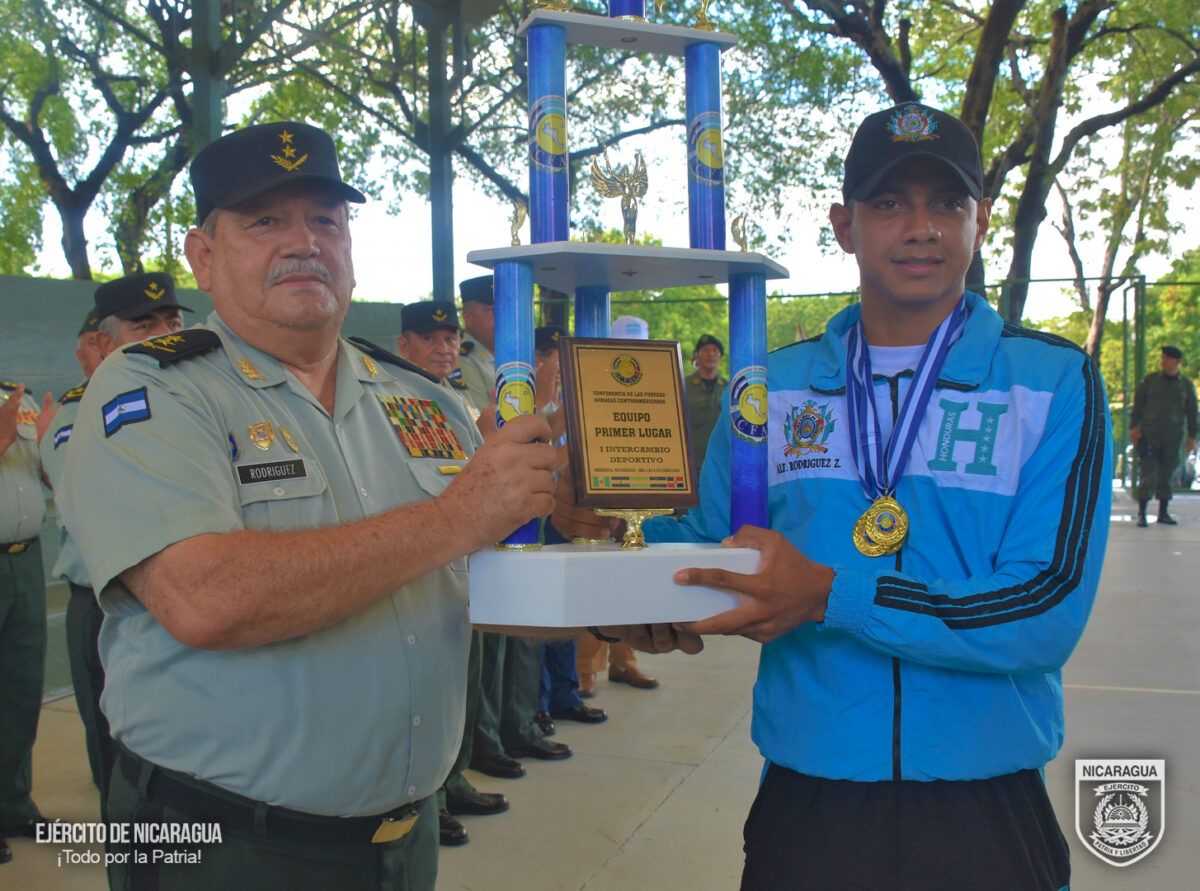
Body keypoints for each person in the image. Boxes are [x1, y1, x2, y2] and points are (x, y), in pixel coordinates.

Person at [558, 103, 1112, 889]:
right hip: (811, 808)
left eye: (946, 202)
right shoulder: (773, 388)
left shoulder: (1052, 381)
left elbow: (1043, 608)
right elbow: (702, 542)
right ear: (844, 225)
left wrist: (830, 594)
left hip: (986, 810)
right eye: (889, 203)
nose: (921, 226)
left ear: (980, 220)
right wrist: (600, 536)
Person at [56, 121, 557, 890]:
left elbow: (474, 579)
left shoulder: (423, 396)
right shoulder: (152, 387)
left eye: (326, 219)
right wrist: (459, 514)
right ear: (204, 255)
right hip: (227, 845)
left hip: (402, 838)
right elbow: (205, 596)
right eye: (264, 220)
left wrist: (616, 593)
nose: (304, 242)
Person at [40, 279, 189, 817]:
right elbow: (96, 508)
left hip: (188, 597)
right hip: (110, 601)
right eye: (143, 326)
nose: (164, 336)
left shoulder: (195, 403)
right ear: (104, 345)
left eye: (172, 324)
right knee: (120, 754)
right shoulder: (78, 415)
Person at [396, 300, 509, 847]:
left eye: (450, 337)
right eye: (430, 338)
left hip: (469, 555)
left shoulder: (462, 398)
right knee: (430, 679)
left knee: (468, 670)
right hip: (422, 559)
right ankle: (428, 797)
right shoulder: (391, 398)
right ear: (405, 347)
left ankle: (455, 774)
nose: (443, 347)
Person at [0, 361, 55, 866]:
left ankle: (13, 804)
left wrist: (48, 452)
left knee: (20, 688)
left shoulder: (19, 397)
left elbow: (45, 479)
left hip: (25, 558)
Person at [1130, 345, 1197, 526]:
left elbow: (1192, 412)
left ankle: (1163, 513)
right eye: (1162, 357)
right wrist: (1134, 427)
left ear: (1178, 362)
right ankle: (1142, 513)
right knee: (1147, 473)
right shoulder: (1150, 381)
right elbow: (1138, 405)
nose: (1163, 361)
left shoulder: (1185, 385)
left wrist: (1192, 436)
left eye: (1167, 358)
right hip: (1150, 435)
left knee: (1167, 474)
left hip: (1173, 436)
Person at [686, 333, 728, 471]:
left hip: (720, 464)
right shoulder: (683, 386)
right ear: (697, 356)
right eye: (705, 350)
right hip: (691, 464)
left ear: (720, 358)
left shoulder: (729, 388)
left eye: (715, 350)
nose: (710, 354)